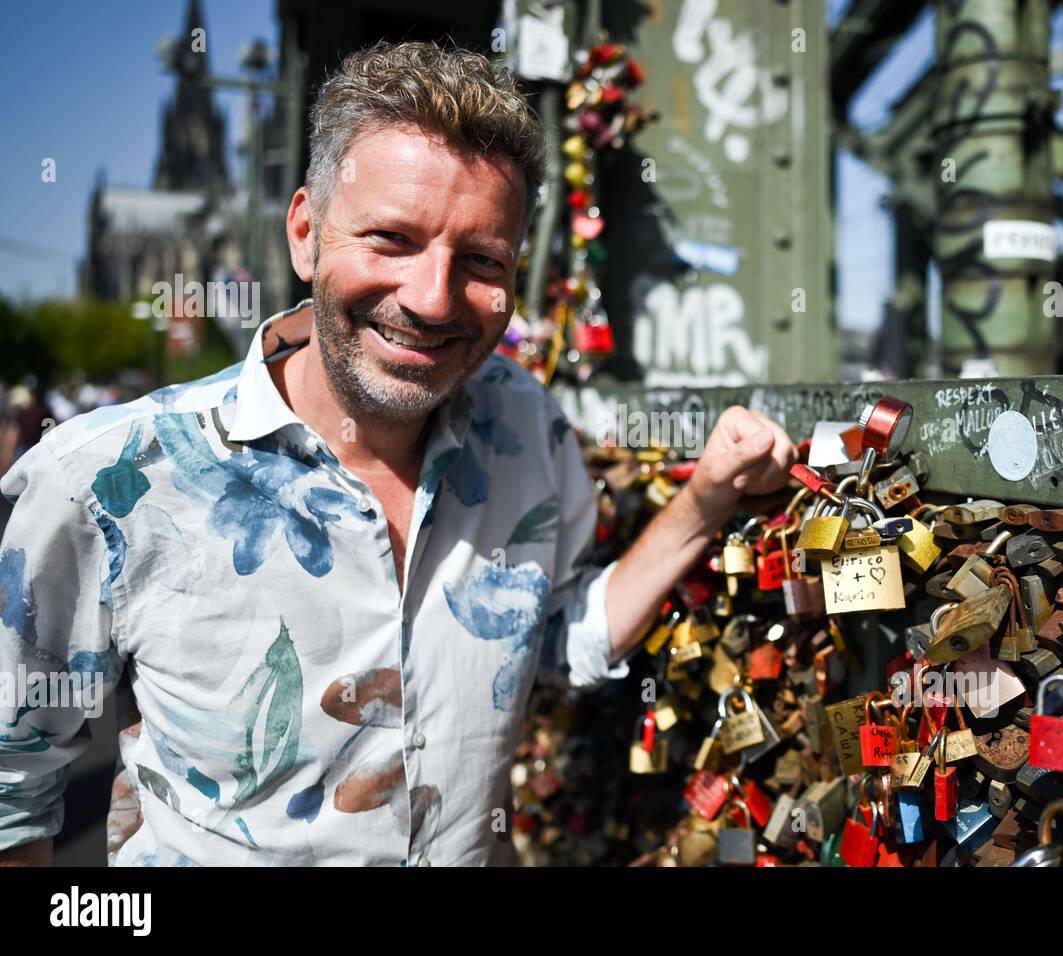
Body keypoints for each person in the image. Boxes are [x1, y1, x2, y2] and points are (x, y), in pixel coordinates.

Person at [0, 40, 795, 867]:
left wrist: (704, 500)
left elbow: (556, 641)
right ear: (306, 235)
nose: (432, 297)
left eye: (482, 259)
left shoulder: (526, 426)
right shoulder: (108, 477)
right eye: (391, 239)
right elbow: (10, 790)